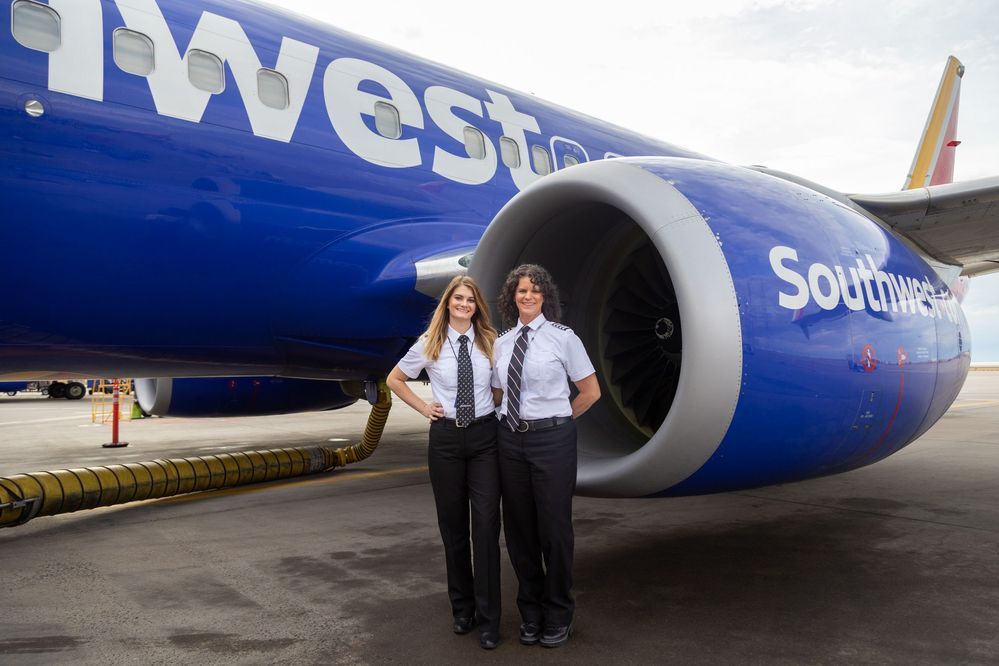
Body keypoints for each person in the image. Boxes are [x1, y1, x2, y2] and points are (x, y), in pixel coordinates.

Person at [386, 275, 503, 650]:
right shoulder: (430, 343)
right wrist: (424, 407)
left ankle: (489, 619)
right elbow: (395, 379)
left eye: (470, 299)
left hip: (486, 439)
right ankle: (462, 610)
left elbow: (499, 387)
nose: (464, 304)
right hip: (447, 440)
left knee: (485, 529)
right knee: (453, 530)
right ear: (448, 304)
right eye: (458, 299)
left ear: (477, 305)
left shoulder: (490, 341)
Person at [491, 264, 600, 648]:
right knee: (520, 531)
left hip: (551, 440)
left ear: (545, 297)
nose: (528, 296)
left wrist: (557, 421)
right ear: (512, 297)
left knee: (553, 531)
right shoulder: (502, 343)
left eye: (535, 290)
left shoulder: (563, 338)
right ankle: (531, 611)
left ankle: (558, 612)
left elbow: (589, 391)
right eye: (521, 290)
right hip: (510, 442)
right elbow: (498, 395)